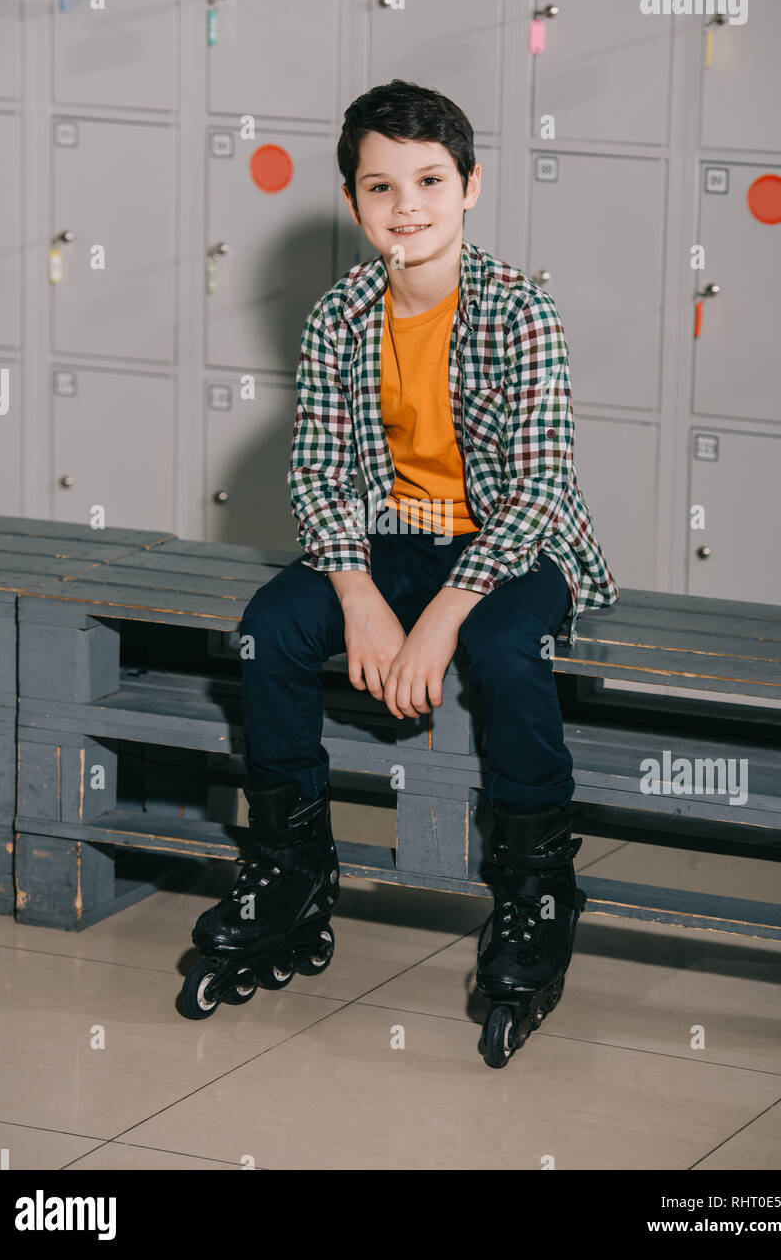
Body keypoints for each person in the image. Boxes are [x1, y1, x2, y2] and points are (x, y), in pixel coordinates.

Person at [191, 79, 618, 1051]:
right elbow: (319, 473)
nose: (407, 205)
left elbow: (541, 485)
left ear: (470, 186)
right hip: (389, 537)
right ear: (353, 203)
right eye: (380, 187)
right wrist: (359, 596)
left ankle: (536, 887)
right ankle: (293, 863)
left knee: (509, 649)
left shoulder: (519, 312)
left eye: (429, 180)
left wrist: (436, 621)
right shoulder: (340, 316)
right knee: (269, 629)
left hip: (515, 542)